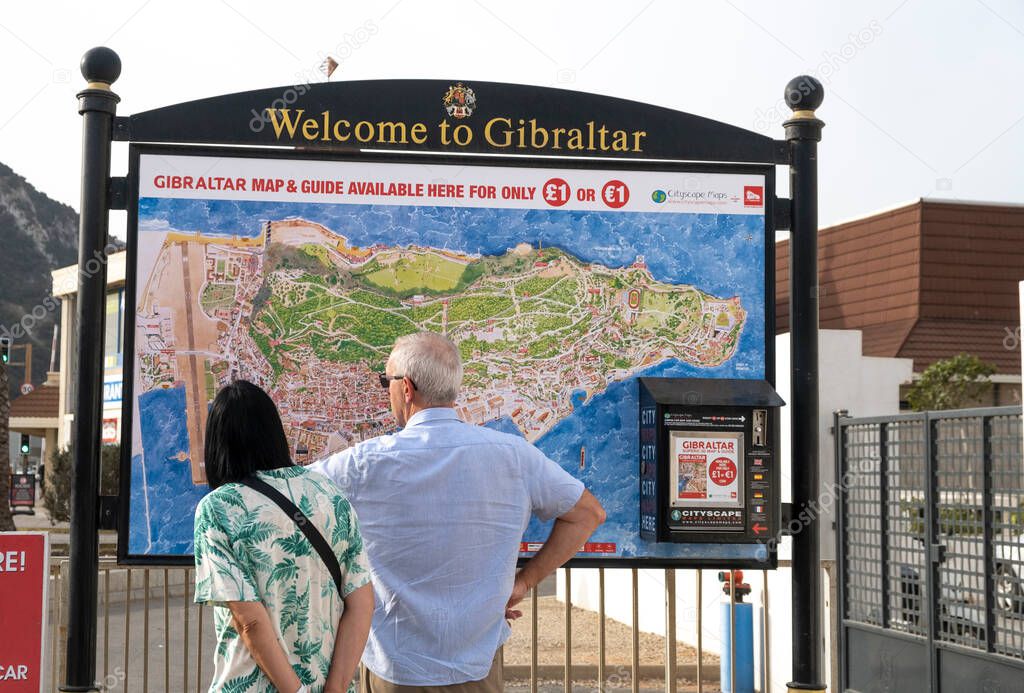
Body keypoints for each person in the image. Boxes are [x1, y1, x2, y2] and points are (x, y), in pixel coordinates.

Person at [309, 331, 605, 692]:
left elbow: (285, 497)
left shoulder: (363, 463)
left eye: (385, 381)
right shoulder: (514, 455)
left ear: (407, 389)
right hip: (477, 667)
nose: (385, 390)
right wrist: (524, 581)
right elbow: (587, 514)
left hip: (396, 666)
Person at [193, 380, 375, 693]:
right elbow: (361, 602)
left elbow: (250, 622)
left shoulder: (218, 508)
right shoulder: (328, 494)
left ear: (218, 444)